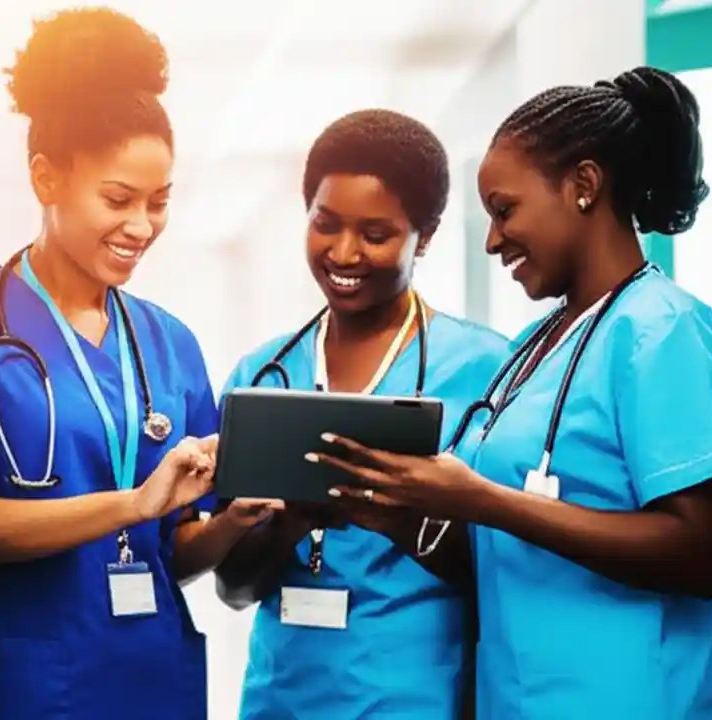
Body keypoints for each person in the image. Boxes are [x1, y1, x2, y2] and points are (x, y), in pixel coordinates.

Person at [313, 67, 712, 719]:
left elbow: (699, 552)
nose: (493, 240)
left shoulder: (663, 329)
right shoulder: (530, 351)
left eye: (505, 210)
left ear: (584, 186)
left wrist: (484, 499)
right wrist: (401, 516)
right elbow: (502, 558)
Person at [0, 8, 276, 719]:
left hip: (153, 685)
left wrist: (231, 525)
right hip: (20, 688)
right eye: (117, 199)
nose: (141, 226)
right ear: (46, 178)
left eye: (158, 202)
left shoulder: (171, 344)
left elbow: (171, 549)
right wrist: (131, 504)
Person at [213, 109, 510, 719]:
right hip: (282, 698)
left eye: (376, 235)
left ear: (425, 237)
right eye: (326, 225)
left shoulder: (487, 369)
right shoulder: (262, 376)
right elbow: (233, 587)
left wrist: (399, 518)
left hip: (414, 698)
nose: (344, 253)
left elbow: (509, 576)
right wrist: (289, 525)